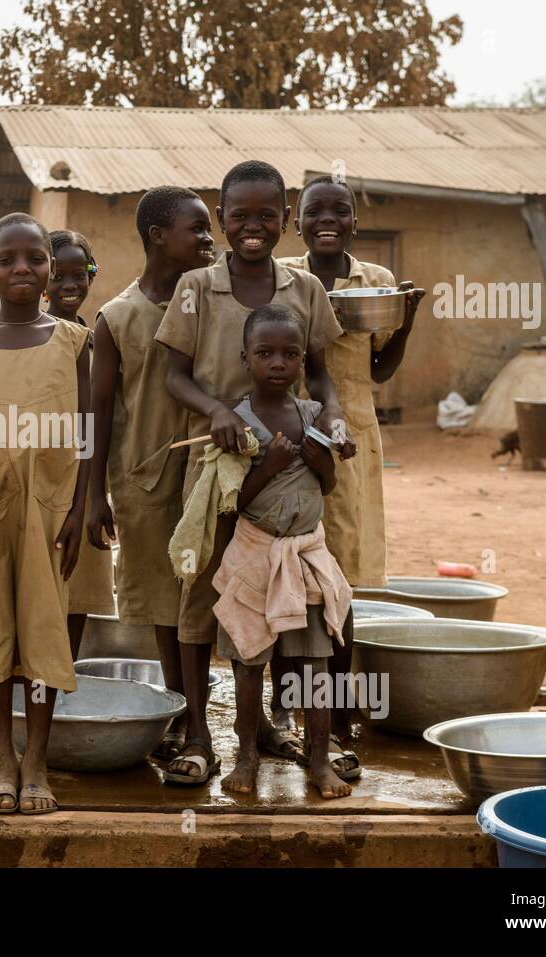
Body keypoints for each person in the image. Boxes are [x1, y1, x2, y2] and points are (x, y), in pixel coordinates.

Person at [154, 160, 350, 785]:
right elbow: (174, 375)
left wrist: (333, 418)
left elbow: (320, 373)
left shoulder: (304, 290)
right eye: (240, 216)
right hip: (217, 471)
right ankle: (199, 734)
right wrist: (215, 410)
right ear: (222, 216)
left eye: (268, 216)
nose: (254, 228)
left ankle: (279, 727)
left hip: (294, 471)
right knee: (202, 602)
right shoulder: (195, 286)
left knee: (294, 606)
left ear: (286, 219)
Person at [0, 212, 91, 815]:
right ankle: (3, 759)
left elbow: (87, 434)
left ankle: (37, 761)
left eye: (34, 258)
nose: (22, 268)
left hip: (49, 509)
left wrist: (82, 504)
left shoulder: (74, 341)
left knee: (43, 634)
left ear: (52, 269)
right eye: (7, 260)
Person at [276, 174, 427, 770]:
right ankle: (286, 709)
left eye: (340, 211)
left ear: (354, 223)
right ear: (300, 222)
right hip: (288, 434)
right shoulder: (283, 279)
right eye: (315, 211)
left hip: (352, 441)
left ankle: (338, 713)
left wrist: (408, 319)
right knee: (286, 572)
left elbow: (381, 367)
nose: (327, 220)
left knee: (338, 580)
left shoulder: (377, 284)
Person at [85, 186, 215, 759]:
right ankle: (182, 712)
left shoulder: (217, 302)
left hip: (213, 476)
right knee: (166, 605)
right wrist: (92, 497)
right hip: (144, 479)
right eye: (199, 228)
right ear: (159, 237)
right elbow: (98, 414)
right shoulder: (117, 318)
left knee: (207, 597)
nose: (210, 239)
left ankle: (205, 719)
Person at [210, 303, 354, 799]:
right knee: (249, 662)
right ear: (244, 357)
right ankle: (246, 755)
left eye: (290, 355)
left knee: (315, 665)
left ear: (301, 363)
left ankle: (318, 760)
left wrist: (324, 463)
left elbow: (328, 488)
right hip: (254, 555)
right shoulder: (236, 422)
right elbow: (230, 504)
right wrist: (268, 467)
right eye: (265, 353)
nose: (278, 363)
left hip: (306, 556)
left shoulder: (314, 415)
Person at [43, 230, 116, 655]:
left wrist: (95, 494)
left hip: (85, 481)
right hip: (41, 479)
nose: (69, 285)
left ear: (93, 274)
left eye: (80, 273)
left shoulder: (97, 338)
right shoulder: (30, 336)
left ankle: (64, 672)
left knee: (81, 580)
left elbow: (98, 421)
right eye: (57, 274)